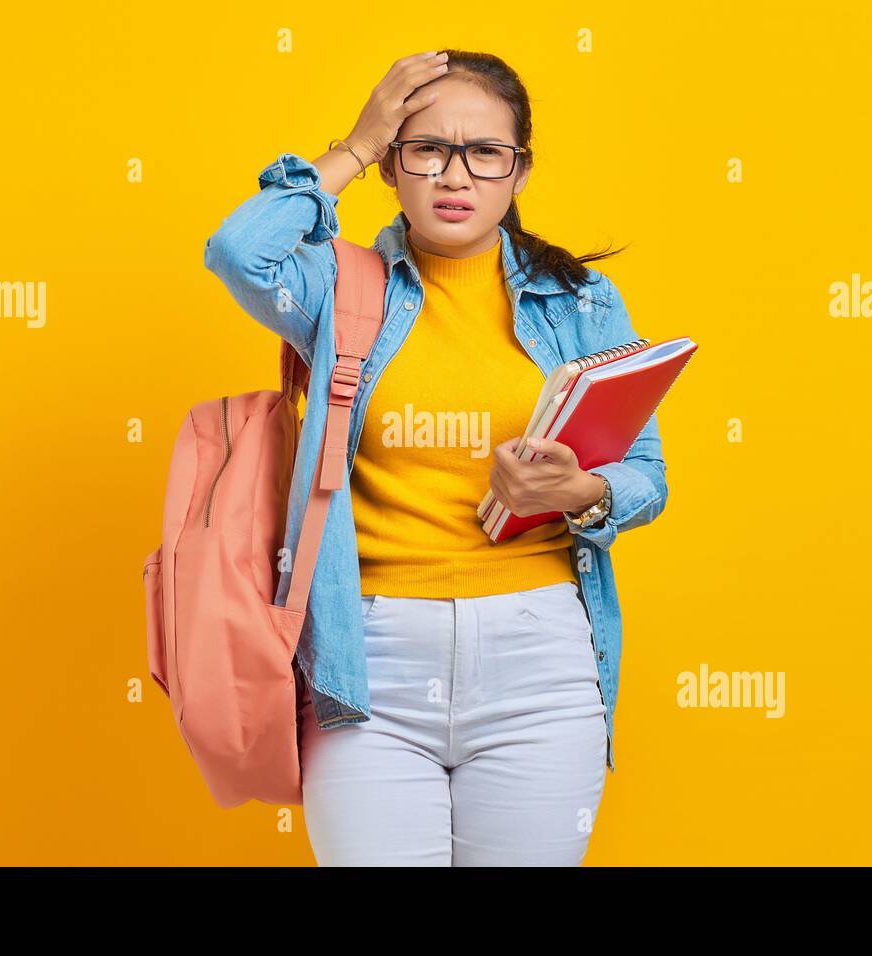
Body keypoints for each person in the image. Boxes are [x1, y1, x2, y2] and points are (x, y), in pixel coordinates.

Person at [204, 49, 670, 865]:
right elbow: (240, 252)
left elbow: (647, 479)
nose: (456, 176)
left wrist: (580, 490)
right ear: (394, 163)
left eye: (486, 153)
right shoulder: (338, 289)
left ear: (519, 171)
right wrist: (349, 147)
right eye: (426, 148)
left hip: (541, 659)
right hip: (367, 660)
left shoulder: (579, 301)